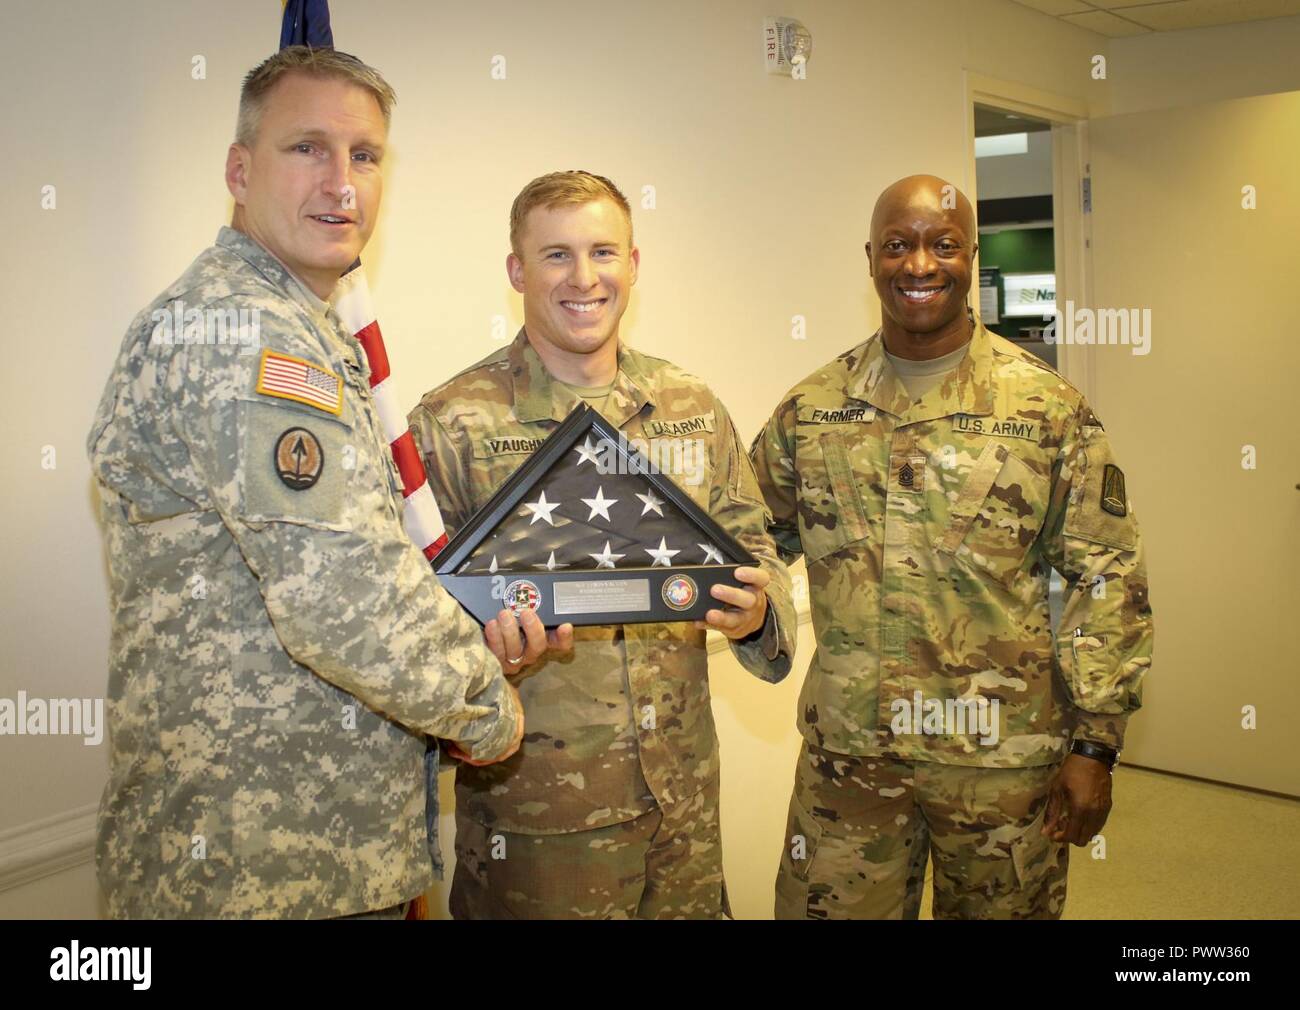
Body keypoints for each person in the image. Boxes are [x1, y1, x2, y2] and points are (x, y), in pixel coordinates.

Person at [86, 46, 568, 919]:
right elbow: (339, 596)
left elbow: (358, 561)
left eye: (366, 155)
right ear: (239, 169)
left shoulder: (298, 327)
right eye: (307, 148)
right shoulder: (240, 334)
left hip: (312, 856)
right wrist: (484, 703)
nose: (341, 183)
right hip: (256, 873)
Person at [749, 174, 1153, 919]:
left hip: (1002, 765)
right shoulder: (813, 409)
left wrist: (1096, 745)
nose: (920, 265)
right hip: (852, 764)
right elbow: (749, 544)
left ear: (972, 255)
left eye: (943, 245)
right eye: (898, 246)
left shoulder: (1047, 410)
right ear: (871, 257)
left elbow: (1106, 575)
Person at [409, 170, 796, 919]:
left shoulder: (689, 406)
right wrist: (482, 654)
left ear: (634, 264)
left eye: (603, 253)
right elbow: (411, 624)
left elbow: (757, 546)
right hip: (538, 834)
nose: (584, 279)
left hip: (682, 811)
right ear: (517, 271)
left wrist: (757, 613)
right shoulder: (452, 424)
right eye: (556, 256)